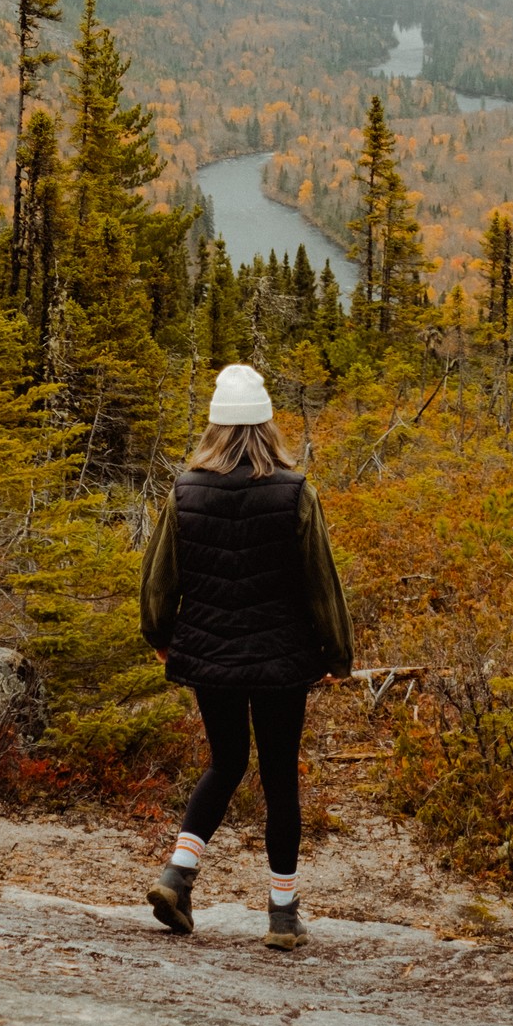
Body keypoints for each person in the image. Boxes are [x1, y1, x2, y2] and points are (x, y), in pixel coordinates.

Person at [139, 362, 354, 950]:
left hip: (210, 656)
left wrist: (161, 637)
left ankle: (178, 876)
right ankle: (283, 916)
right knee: (280, 777)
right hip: (282, 660)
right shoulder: (294, 491)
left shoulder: (186, 490)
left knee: (226, 760)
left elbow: (160, 580)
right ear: (266, 426)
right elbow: (321, 582)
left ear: (215, 427)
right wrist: (338, 655)